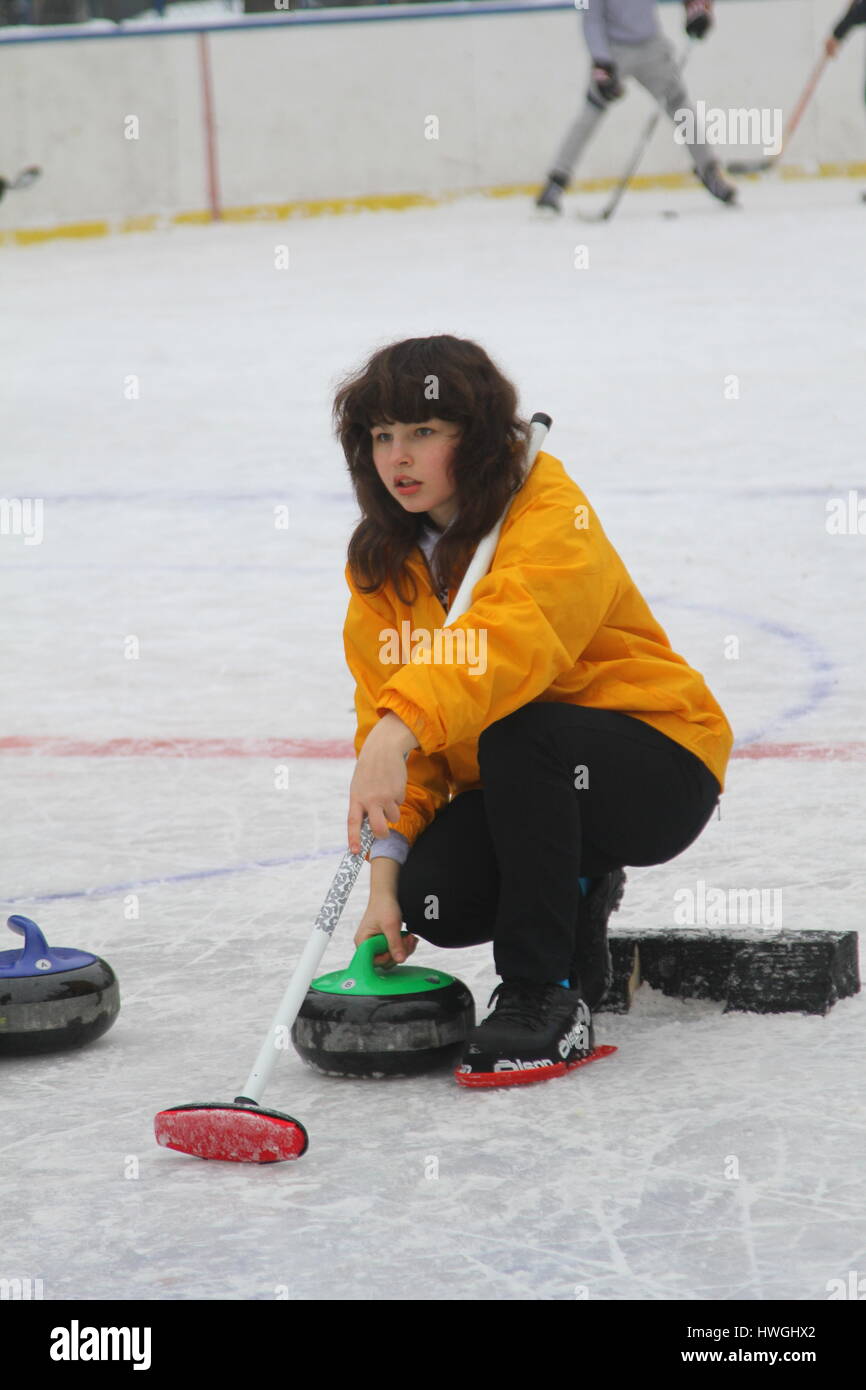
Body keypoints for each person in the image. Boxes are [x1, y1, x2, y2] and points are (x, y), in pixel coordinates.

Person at [334, 335, 732, 1087]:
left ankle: (541, 994)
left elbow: (514, 639)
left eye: (424, 431)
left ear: (475, 438)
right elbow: (400, 750)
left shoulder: (548, 510)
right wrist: (384, 879)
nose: (400, 458)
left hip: (656, 762)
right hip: (527, 783)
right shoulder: (385, 566)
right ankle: (576, 885)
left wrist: (401, 723)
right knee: (436, 898)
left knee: (523, 732)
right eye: (382, 437)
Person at [535, 0, 737, 212]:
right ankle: (556, 182)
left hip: (651, 48)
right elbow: (591, 20)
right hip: (613, 51)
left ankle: (710, 173)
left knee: (682, 109)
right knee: (590, 113)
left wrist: (696, 10)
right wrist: (602, 62)